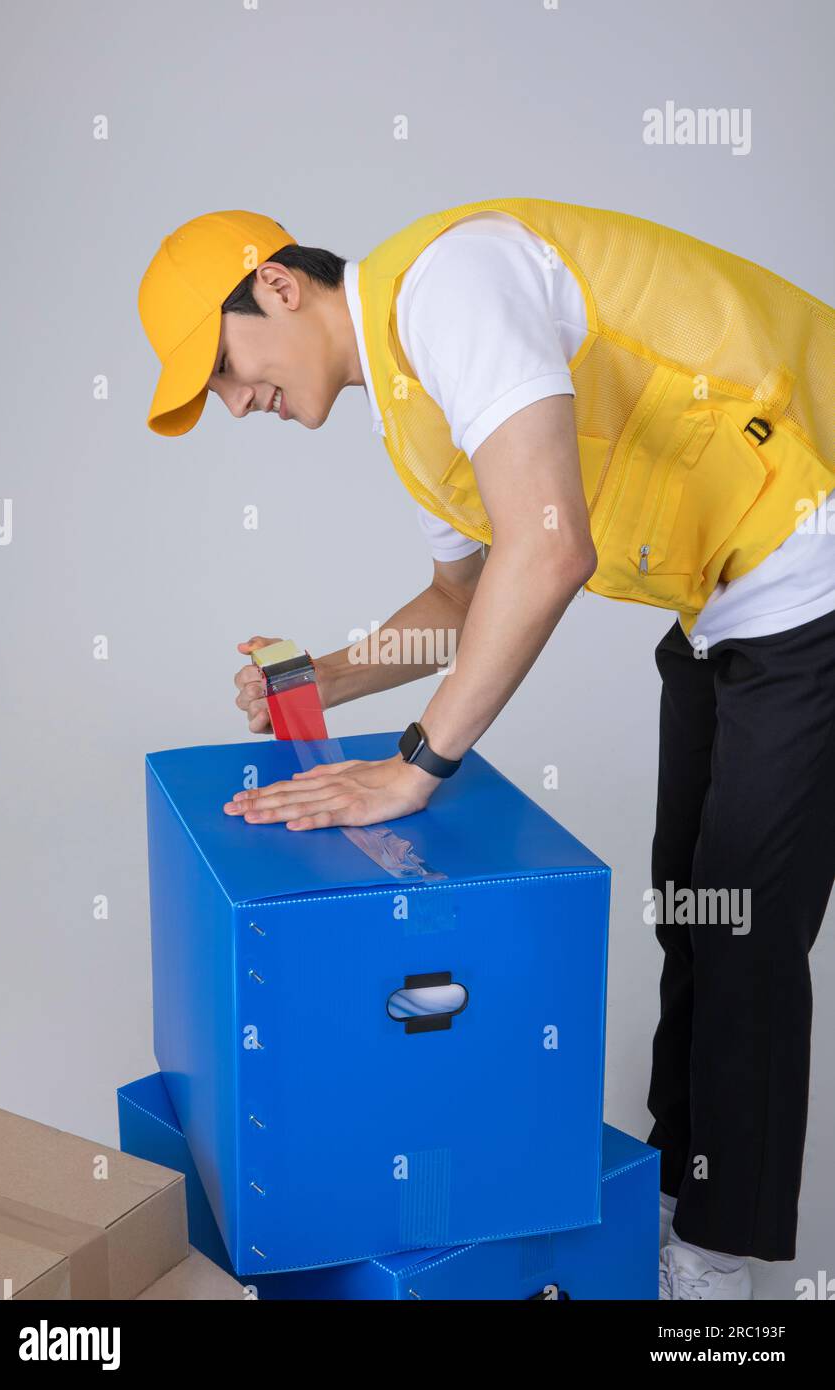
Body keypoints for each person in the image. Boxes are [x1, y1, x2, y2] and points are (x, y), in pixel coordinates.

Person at [138, 199, 835, 1299]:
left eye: (221, 368)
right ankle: (671, 1197)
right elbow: (459, 602)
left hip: (809, 544)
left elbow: (550, 547)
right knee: (693, 913)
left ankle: (710, 1271)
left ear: (276, 286)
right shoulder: (411, 418)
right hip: (725, 592)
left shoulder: (449, 284)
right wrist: (322, 676)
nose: (234, 403)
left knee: (742, 925)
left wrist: (416, 764)